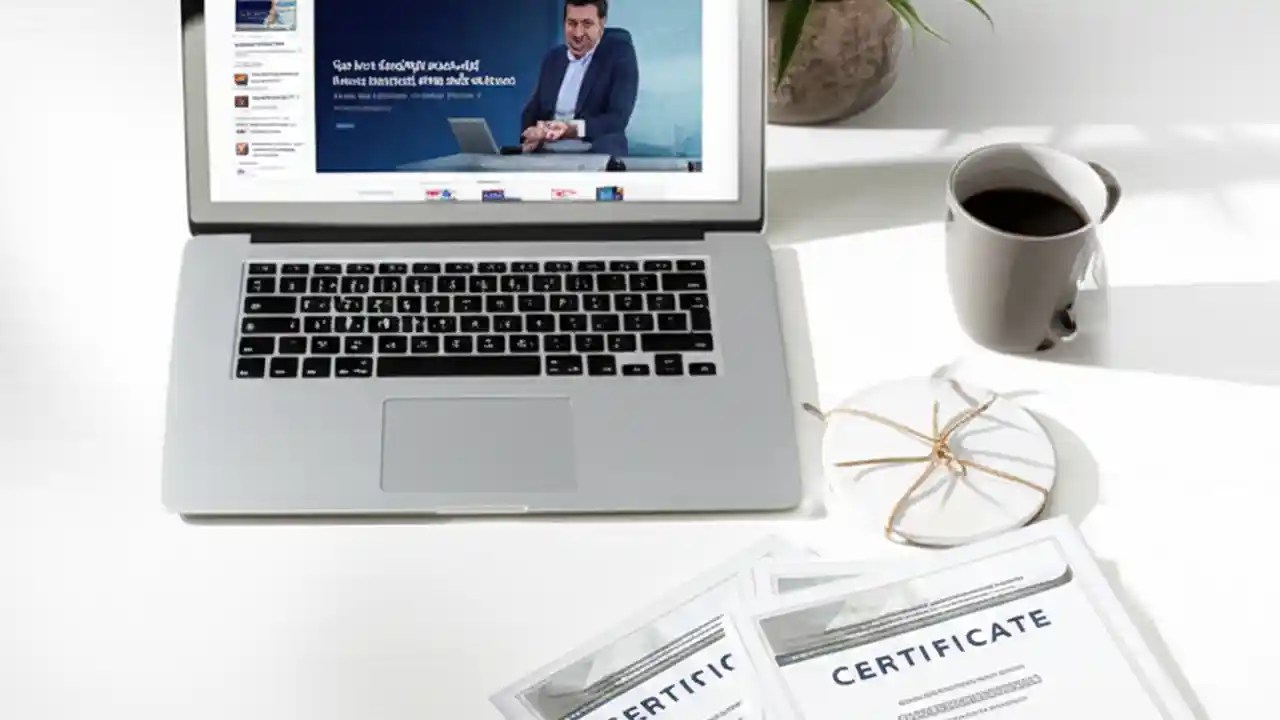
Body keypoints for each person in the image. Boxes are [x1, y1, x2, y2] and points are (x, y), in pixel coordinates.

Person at [520, 0, 639, 158]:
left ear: (601, 24)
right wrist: (533, 132)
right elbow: (532, 111)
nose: (578, 33)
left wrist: (570, 129)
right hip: (549, 156)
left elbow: (617, 119)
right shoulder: (554, 58)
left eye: (587, 24)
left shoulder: (619, 55)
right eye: (572, 23)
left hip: (595, 156)